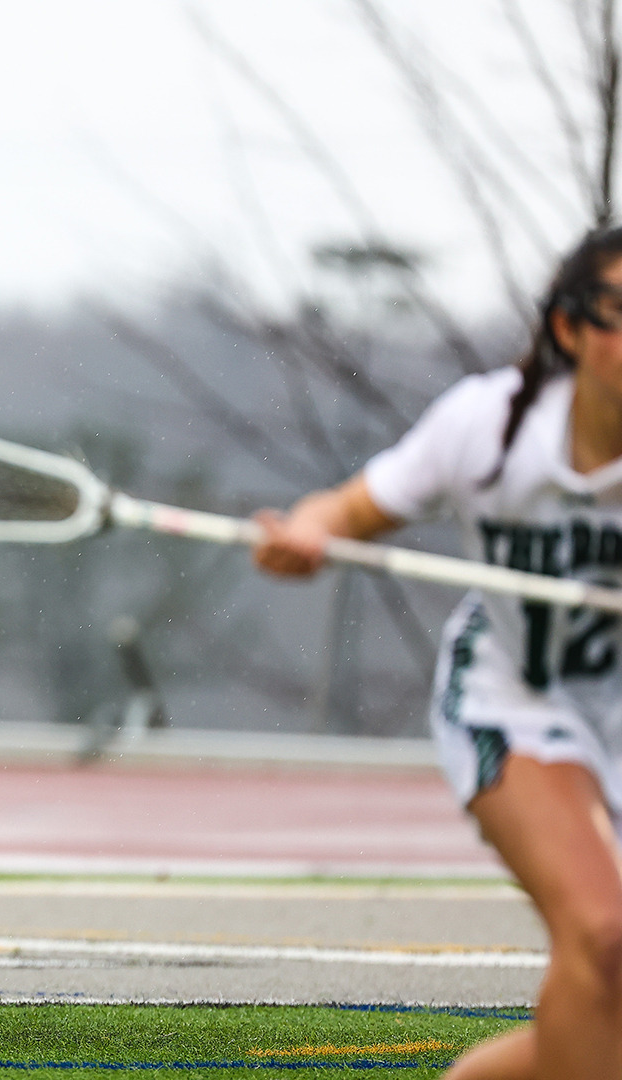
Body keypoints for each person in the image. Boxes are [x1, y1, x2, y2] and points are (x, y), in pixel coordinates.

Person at [254, 226, 622, 1080]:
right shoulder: (489, 426)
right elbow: (344, 513)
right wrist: (301, 536)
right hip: (515, 700)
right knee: (604, 938)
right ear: (569, 331)